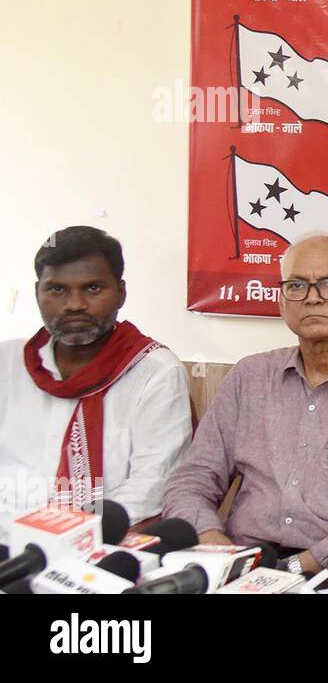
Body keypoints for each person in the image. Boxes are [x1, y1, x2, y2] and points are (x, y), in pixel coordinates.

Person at [163, 232, 328, 579]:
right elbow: (193, 478)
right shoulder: (250, 375)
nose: (312, 298)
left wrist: (298, 565)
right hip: (241, 564)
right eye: (296, 286)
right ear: (280, 301)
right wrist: (212, 539)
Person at [0, 226, 190, 532]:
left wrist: (67, 531)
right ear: (38, 292)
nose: (75, 304)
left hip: (95, 541)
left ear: (121, 292)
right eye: (57, 289)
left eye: (92, 288)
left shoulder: (154, 371)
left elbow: (152, 486)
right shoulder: (6, 362)